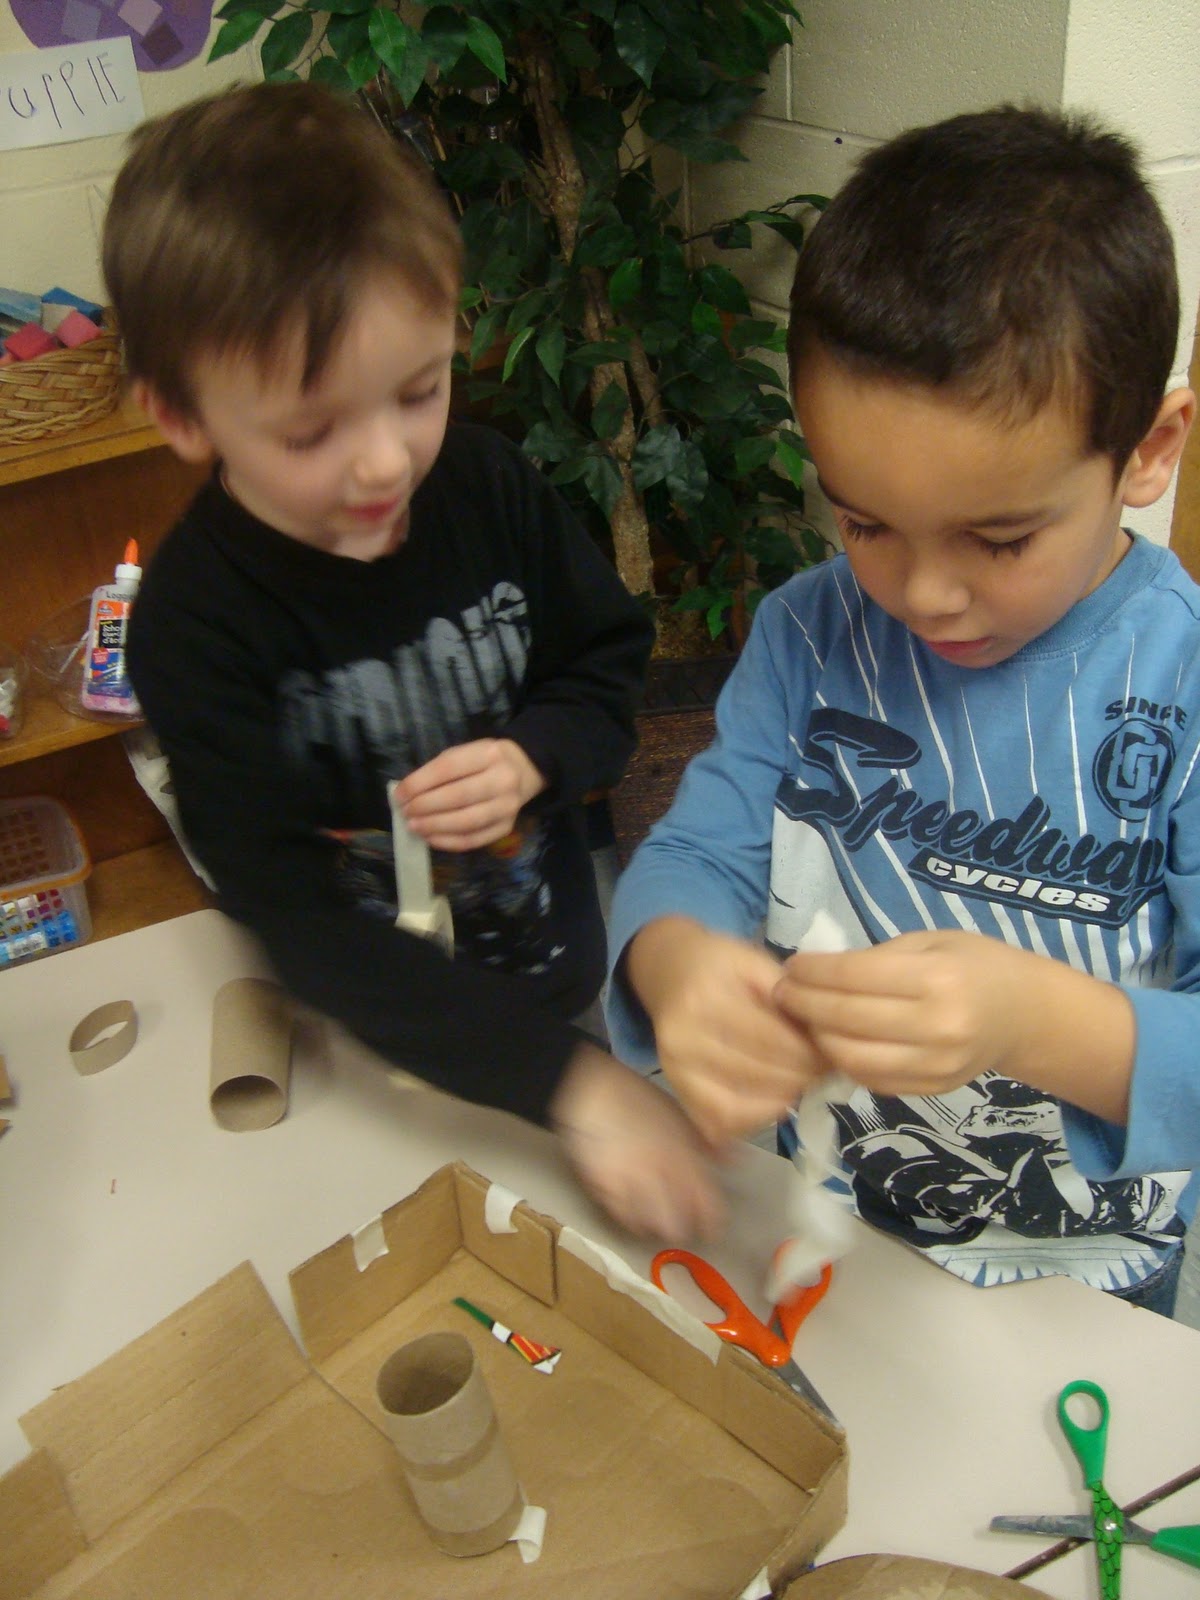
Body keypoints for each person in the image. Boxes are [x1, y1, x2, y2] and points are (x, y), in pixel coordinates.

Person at [606, 104, 1200, 1314]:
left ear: (1149, 448)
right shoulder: (809, 632)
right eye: (864, 520)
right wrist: (683, 968)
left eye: (999, 536)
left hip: (1077, 1288)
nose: (924, 594)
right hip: (827, 1239)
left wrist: (1033, 1019)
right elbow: (697, 852)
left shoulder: (1179, 686)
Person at [103, 81, 721, 1241]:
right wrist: (568, 1086)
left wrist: (537, 757)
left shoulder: (483, 486)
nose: (385, 460)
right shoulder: (193, 626)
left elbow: (605, 667)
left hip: (548, 985)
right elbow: (295, 917)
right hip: (373, 1038)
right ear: (182, 415)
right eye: (310, 430)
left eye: (420, 389)